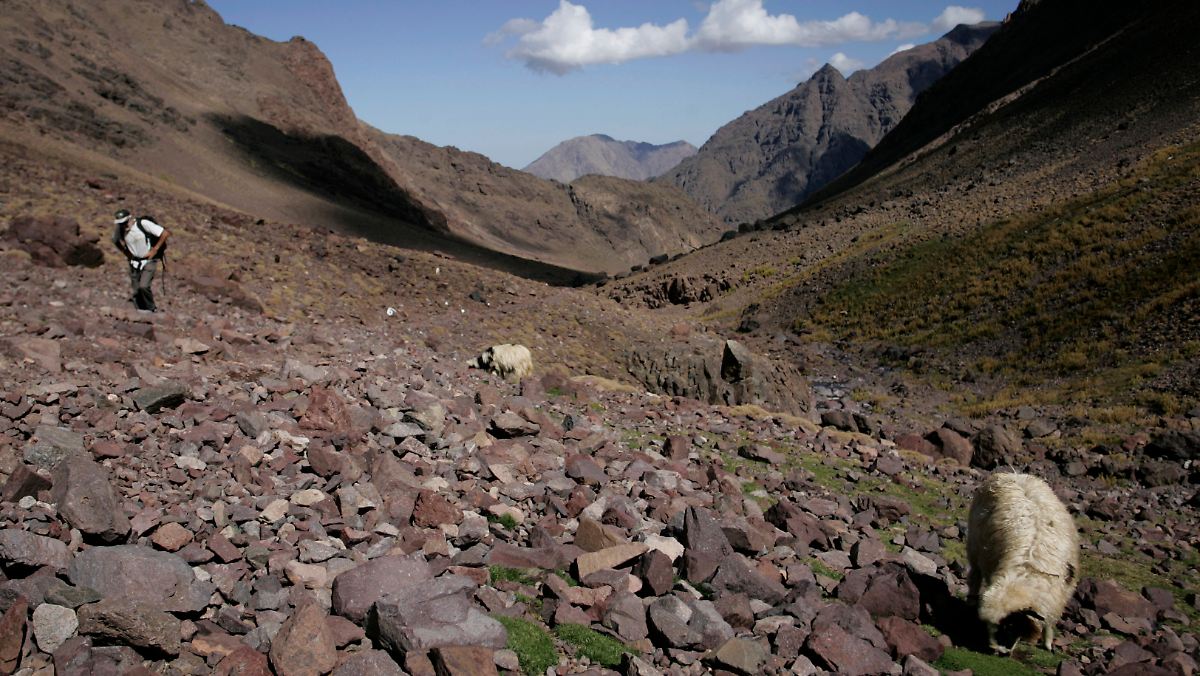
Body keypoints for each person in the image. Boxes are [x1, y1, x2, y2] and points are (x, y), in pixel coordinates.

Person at [111, 209, 169, 312]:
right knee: (136, 289)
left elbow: (164, 233)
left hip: (149, 261)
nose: (123, 226)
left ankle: (151, 308)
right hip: (134, 262)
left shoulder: (142, 224)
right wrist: (126, 253)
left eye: (124, 223)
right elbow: (115, 240)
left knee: (144, 286)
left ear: (129, 219)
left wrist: (155, 250)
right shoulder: (120, 229)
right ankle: (139, 310)